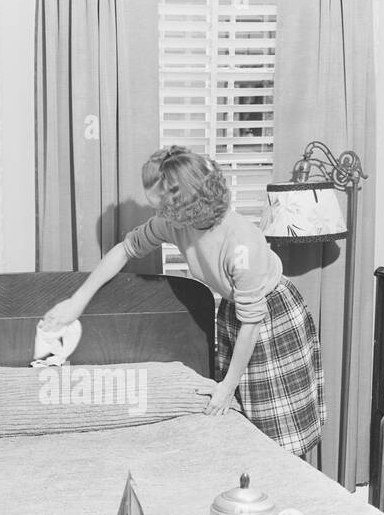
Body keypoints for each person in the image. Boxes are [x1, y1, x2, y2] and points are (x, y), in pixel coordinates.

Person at [42, 146, 325, 459]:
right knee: (242, 428)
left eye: (164, 205)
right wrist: (77, 300)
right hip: (235, 313)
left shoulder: (242, 243)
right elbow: (126, 249)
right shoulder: (174, 222)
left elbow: (252, 324)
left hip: (271, 317)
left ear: (188, 201)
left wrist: (227, 386)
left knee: (279, 432)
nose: (159, 214)